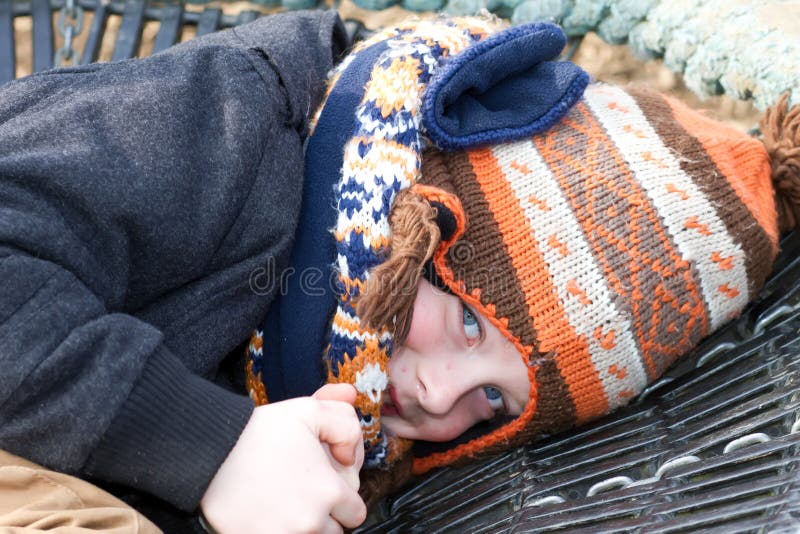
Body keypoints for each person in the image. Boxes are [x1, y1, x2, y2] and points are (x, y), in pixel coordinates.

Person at [2, 8, 799, 534]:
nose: (444, 395)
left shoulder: (341, 423)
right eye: (465, 317)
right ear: (423, 200)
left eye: (495, 399)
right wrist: (208, 446)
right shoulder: (227, 124)